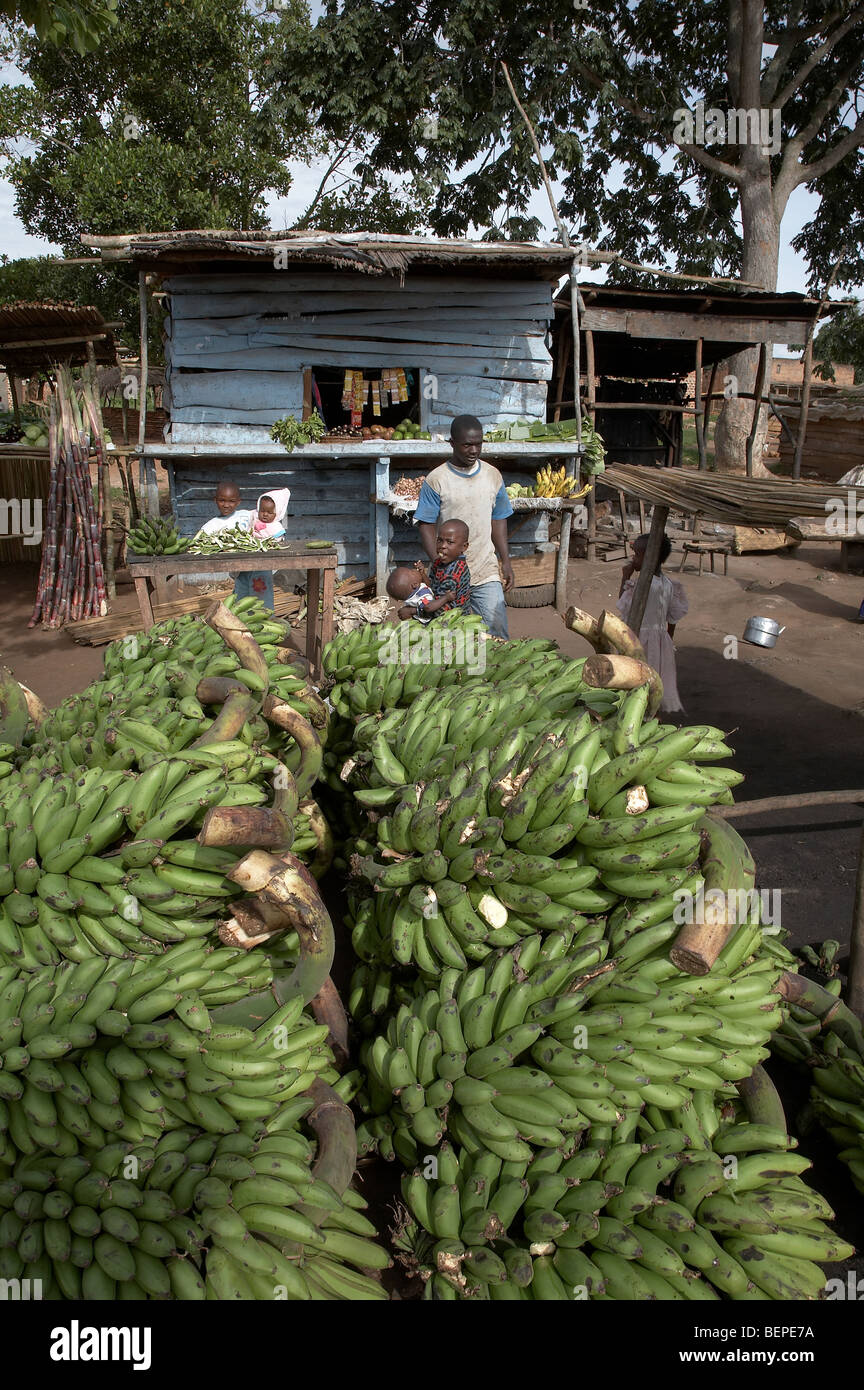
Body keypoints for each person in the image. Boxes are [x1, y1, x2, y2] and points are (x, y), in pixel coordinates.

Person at [414, 415, 514, 638]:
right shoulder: (436, 479)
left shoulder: (492, 476)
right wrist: (439, 563)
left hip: (484, 569)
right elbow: (426, 525)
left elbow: (498, 519)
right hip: (450, 577)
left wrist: (505, 561)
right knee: (450, 637)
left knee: (496, 631)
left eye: (478, 443)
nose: (474, 450)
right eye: (467, 444)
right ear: (452, 443)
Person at [617, 532, 688, 714]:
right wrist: (667, 641)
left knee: (635, 677)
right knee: (655, 678)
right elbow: (673, 618)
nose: (633, 558)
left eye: (637, 555)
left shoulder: (641, 584)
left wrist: (626, 576)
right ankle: (653, 715)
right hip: (660, 640)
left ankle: (633, 714)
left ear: (650, 558)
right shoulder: (669, 584)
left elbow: (622, 606)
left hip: (639, 637)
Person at [387, 519, 471, 623]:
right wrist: (423, 574)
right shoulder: (439, 563)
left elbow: (440, 612)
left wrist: (412, 611)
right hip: (436, 614)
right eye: (439, 540)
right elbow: (432, 586)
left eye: (450, 542)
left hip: (453, 622)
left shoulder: (452, 575)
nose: (443, 546)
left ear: (464, 547)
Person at [234, 488, 291, 611]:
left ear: (277, 513)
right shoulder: (253, 518)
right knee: (242, 584)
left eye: (269, 512)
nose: (265, 514)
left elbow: (277, 542)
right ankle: (239, 611)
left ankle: (262, 614)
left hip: (262, 564)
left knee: (260, 588)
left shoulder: (275, 528)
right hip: (246, 562)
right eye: (262, 511)